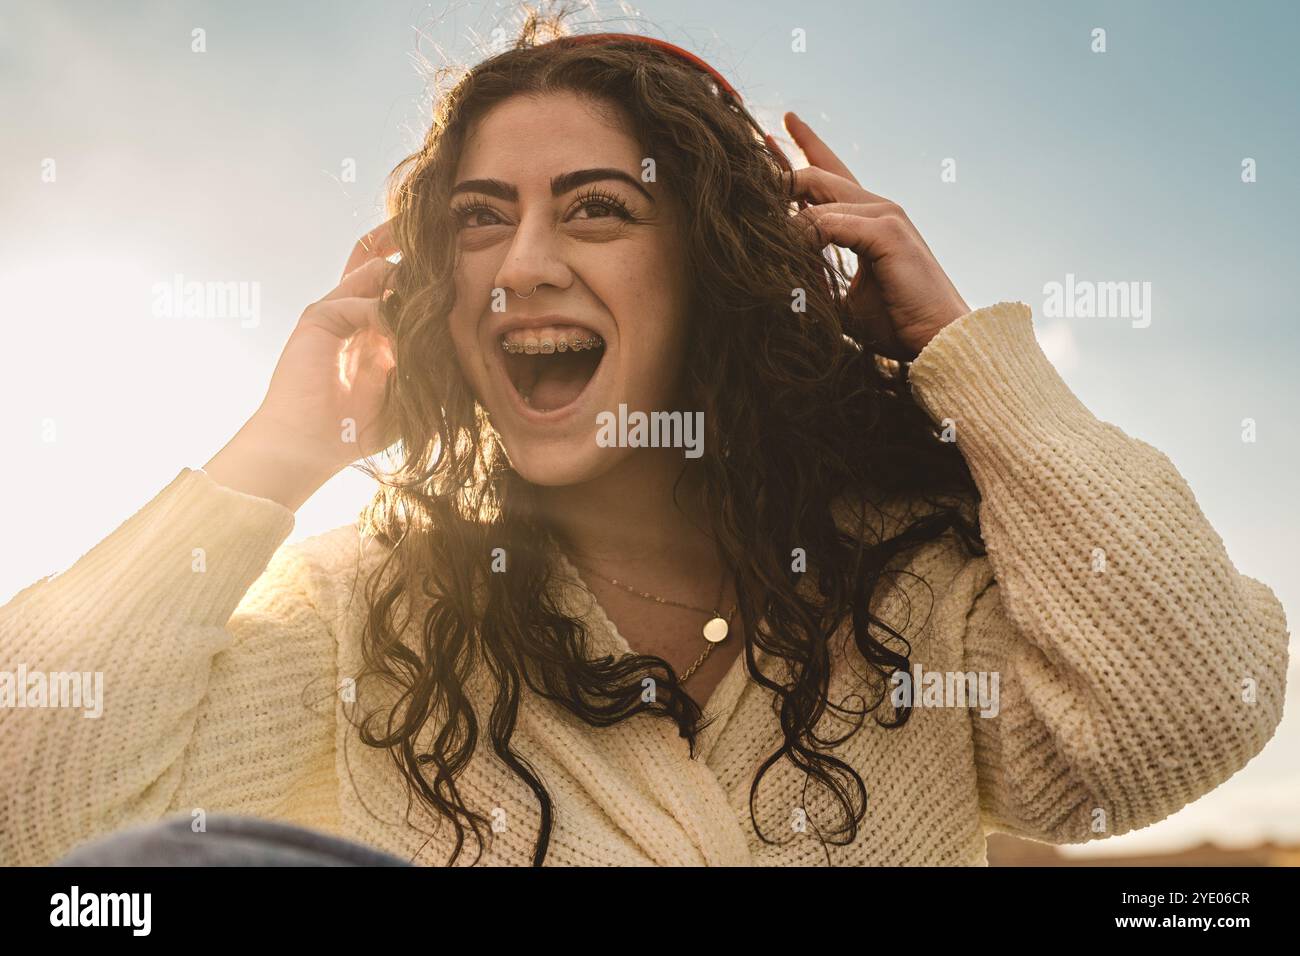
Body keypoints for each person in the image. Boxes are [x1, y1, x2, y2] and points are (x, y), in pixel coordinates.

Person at [0, 15, 1289, 867]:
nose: (526, 264)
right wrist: (278, 455)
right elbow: (50, 819)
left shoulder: (905, 597)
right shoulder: (370, 612)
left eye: (599, 210)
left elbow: (1178, 715)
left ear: (715, 272)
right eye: (481, 219)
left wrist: (960, 353)